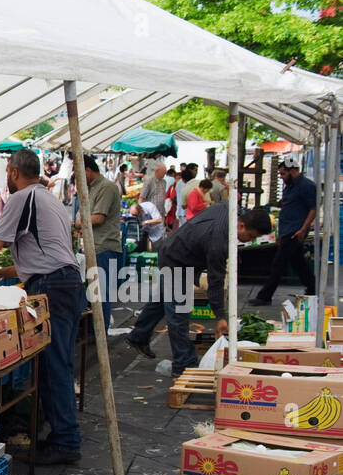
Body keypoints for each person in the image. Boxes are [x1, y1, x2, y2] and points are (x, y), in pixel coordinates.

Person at [0, 148, 86, 466]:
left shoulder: (23, 199)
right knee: (56, 362)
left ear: (11, 172)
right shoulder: (49, 198)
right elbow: (43, 254)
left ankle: (66, 441)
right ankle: (62, 435)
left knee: (55, 364)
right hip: (65, 281)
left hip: (52, 284)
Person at [126, 204, 272, 373]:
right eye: (251, 236)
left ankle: (138, 336)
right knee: (179, 314)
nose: (251, 240)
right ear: (241, 226)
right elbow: (215, 281)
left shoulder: (228, 209)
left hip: (173, 250)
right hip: (177, 261)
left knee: (161, 301)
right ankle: (183, 364)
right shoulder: (219, 241)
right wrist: (220, 317)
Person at [251, 157, 317, 306]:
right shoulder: (289, 186)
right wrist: (280, 233)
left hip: (295, 230)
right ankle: (313, 287)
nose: (281, 177)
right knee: (298, 262)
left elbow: (313, 209)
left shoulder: (306, 186)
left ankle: (264, 296)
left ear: (292, 171)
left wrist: (303, 229)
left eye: (283, 174)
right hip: (287, 230)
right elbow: (286, 208)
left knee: (278, 264)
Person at [74, 156, 122, 328]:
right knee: (93, 294)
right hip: (93, 247)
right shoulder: (91, 189)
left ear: (87, 170)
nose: (77, 176)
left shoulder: (106, 187)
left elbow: (98, 218)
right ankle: (95, 331)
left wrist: (77, 223)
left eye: (78, 172)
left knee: (101, 295)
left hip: (104, 247)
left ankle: (100, 333)